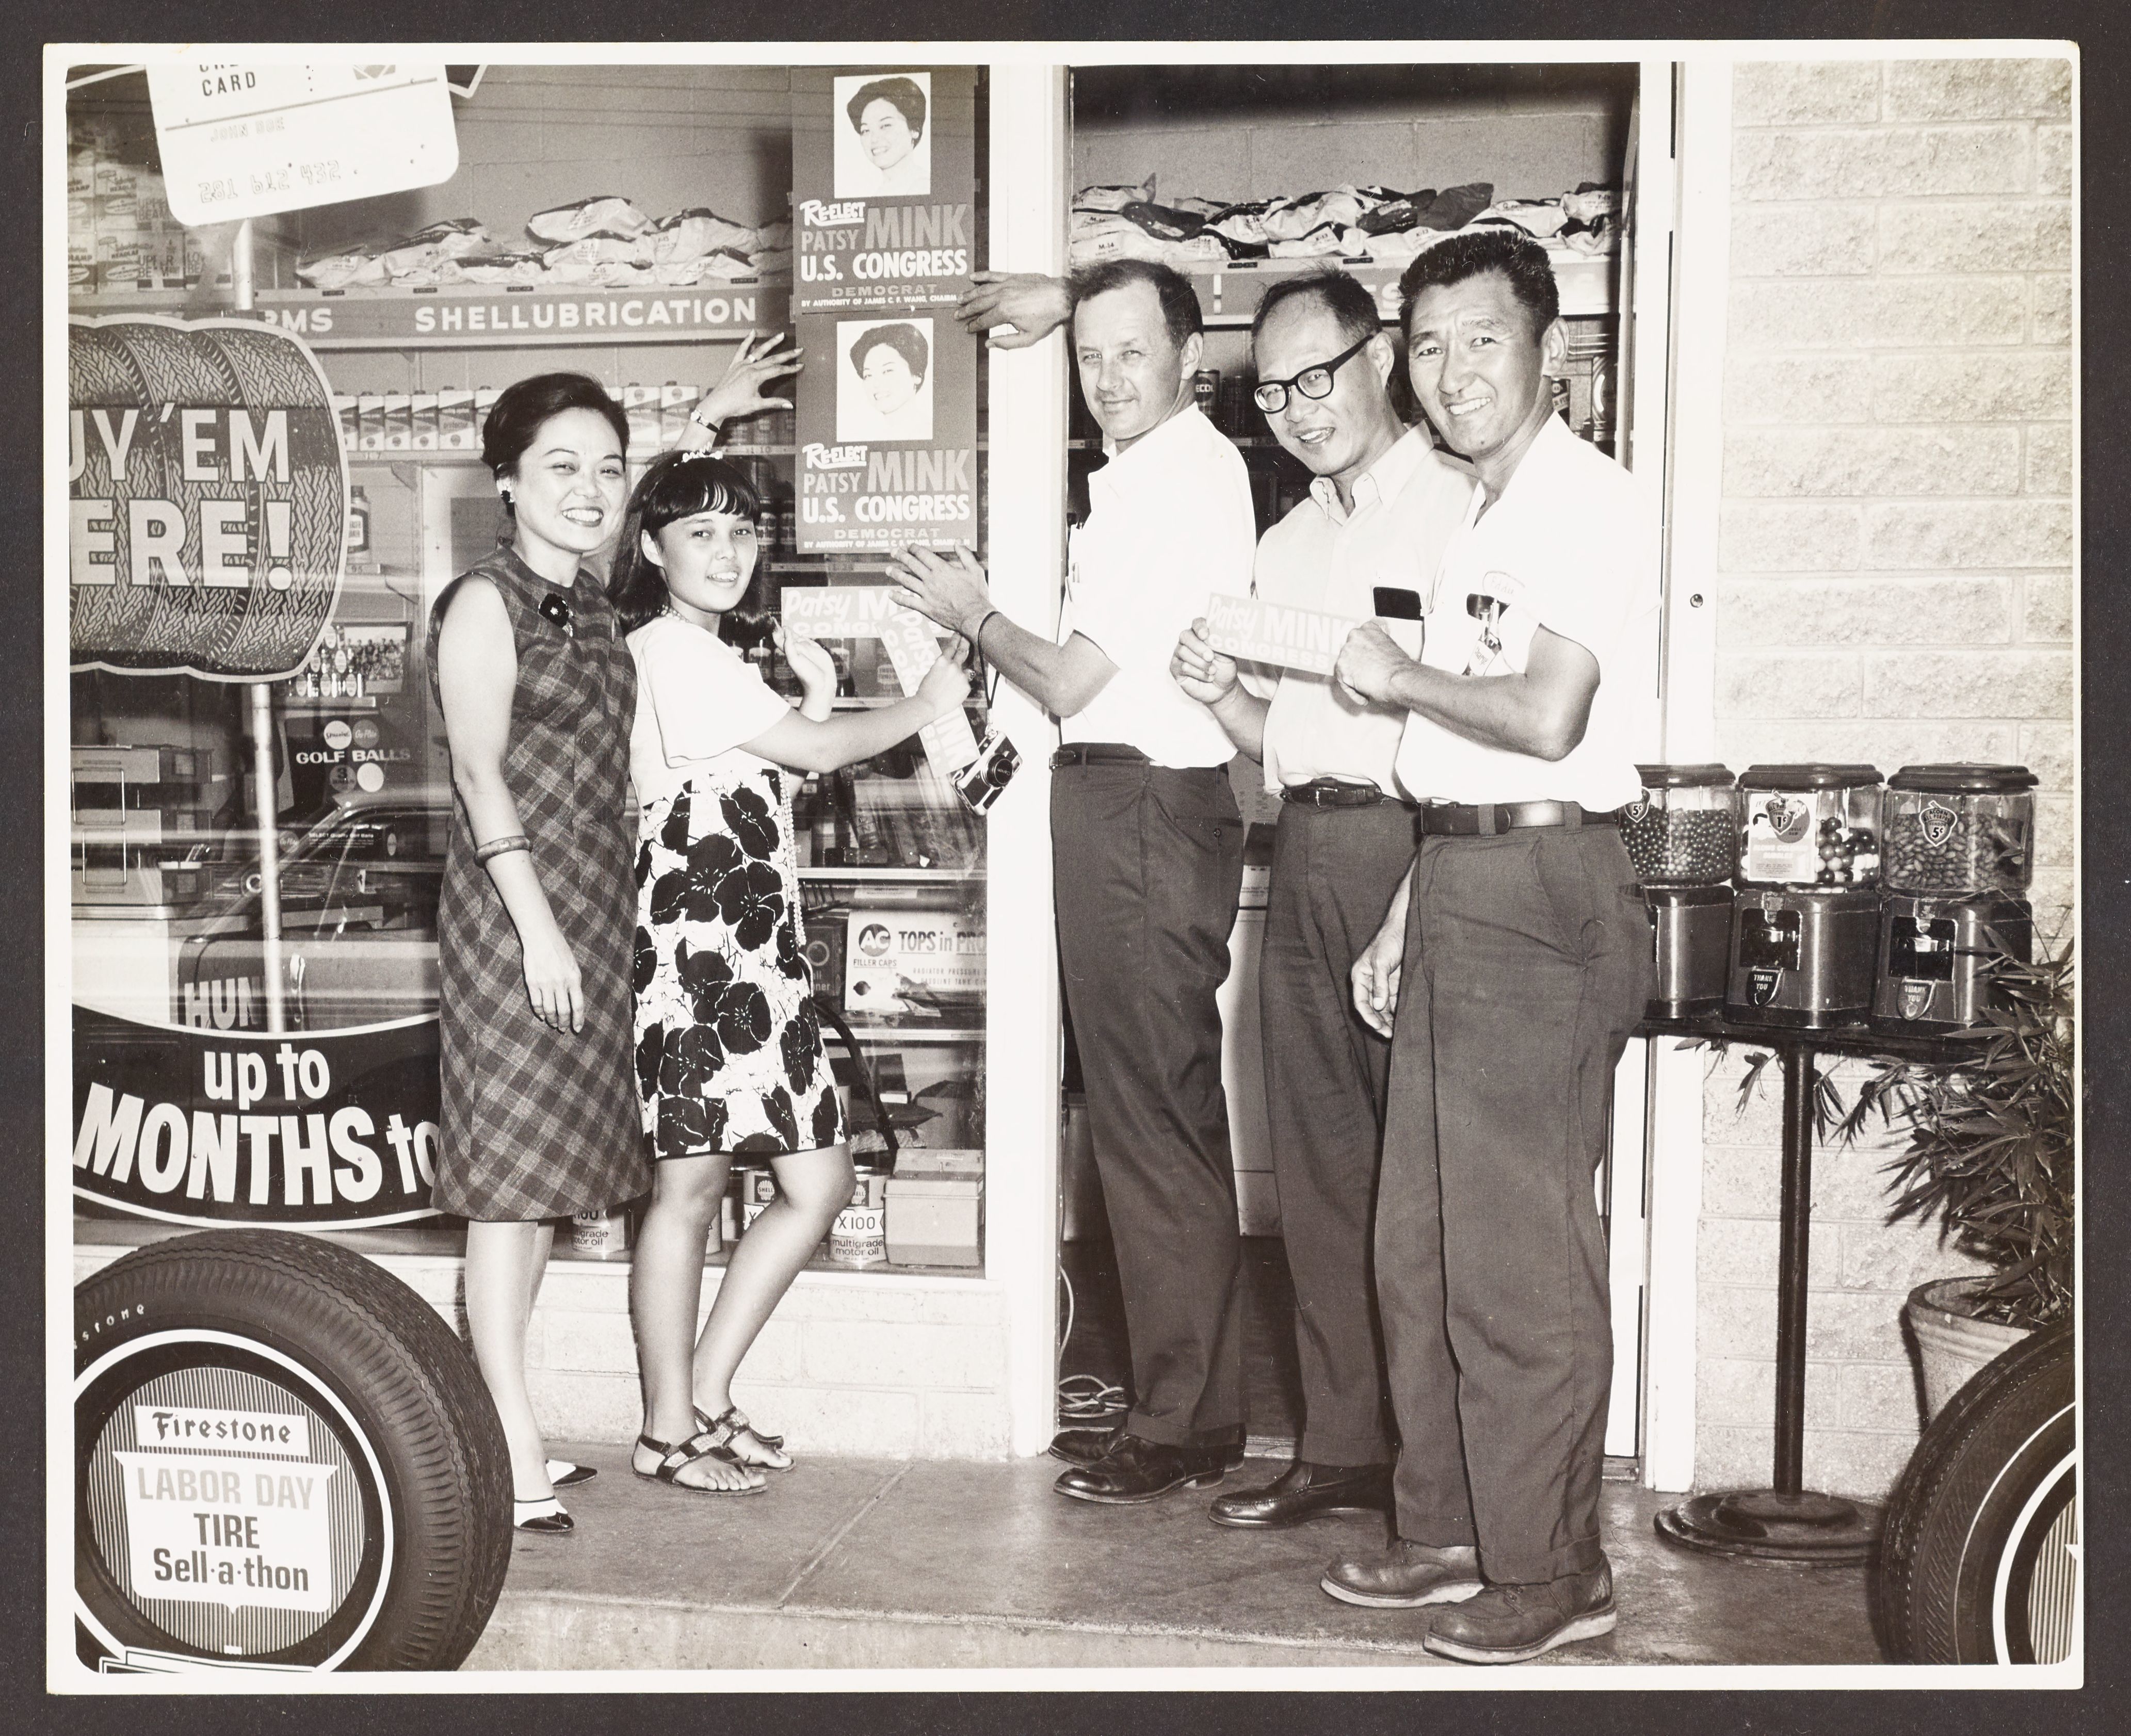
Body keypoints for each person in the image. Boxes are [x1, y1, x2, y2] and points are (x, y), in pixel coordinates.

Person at [1324, 229, 1658, 1663]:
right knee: (1423, 1244)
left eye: (1482, 339)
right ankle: (1454, 1525)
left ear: (1549, 355)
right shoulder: (1477, 512)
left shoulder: (1588, 500)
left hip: (1545, 882)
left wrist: (1389, 671)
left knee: (1518, 1259)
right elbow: (1455, 755)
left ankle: (1554, 1565)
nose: (1452, 371)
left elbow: (1541, 721)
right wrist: (1411, 900)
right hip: (1466, 874)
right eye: (1430, 342)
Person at [893, 258, 1258, 1503]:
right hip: (1143, 802)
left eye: (1132, 352)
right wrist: (1072, 302)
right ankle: (1197, 1404)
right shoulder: (1171, 467)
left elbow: (1071, 679)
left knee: (1145, 1118)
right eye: (1090, 356)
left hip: (1139, 798)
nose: (1107, 379)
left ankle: (1172, 1420)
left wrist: (973, 611)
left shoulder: (1178, 479)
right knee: (1161, 1112)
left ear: (1190, 353)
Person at [1168, 269, 1475, 1531]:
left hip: (1424, 845)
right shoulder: (1286, 541)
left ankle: (1438, 1469)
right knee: (1317, 1167)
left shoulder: (1460, 507)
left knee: (1428, 1183)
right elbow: (1278, 735)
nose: (1298, 408)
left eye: (1319, 375)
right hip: (1303, 847)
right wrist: (1214, 693)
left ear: (1383, 357)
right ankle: (1340, 1442)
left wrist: (1419, 886)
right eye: (1273, 388)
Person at [611, 450, 970, 1495]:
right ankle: (666, 1424)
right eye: (700, 533)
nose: (726, 552)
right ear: (653, 548)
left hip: (754, 960)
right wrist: (926, 699)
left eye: (741, 531)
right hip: (695, 957)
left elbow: (761, 781)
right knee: (688, 1186)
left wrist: (808, 697)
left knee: (817, 1179)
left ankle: (707, 1395)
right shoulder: (666, 647)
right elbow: (812, 755)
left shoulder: (710, 656)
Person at [428, 372, 646, 1535]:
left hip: (591, 916)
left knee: (548, 1185)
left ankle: (504, 1414)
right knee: (510, 1190)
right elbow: (478, 772)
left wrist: (702, 418)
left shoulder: (591, 601)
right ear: (504, 480)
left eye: (609, 466)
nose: (592, 487)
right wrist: (539, 927)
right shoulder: (485, 601)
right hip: (519, 919)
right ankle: (506, 1440)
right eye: (559, 464)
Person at [841, 321, 932, 442]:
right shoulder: (871, 437)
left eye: (888, 371)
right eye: (868, 375)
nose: (876, 384)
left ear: (917, 375)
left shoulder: (929, 432)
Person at [844, 75, 929, 196]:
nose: (873, 139)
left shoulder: (921, 187)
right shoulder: (883, 191)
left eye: (885, 126)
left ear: (915, 130)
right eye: (866, 130)